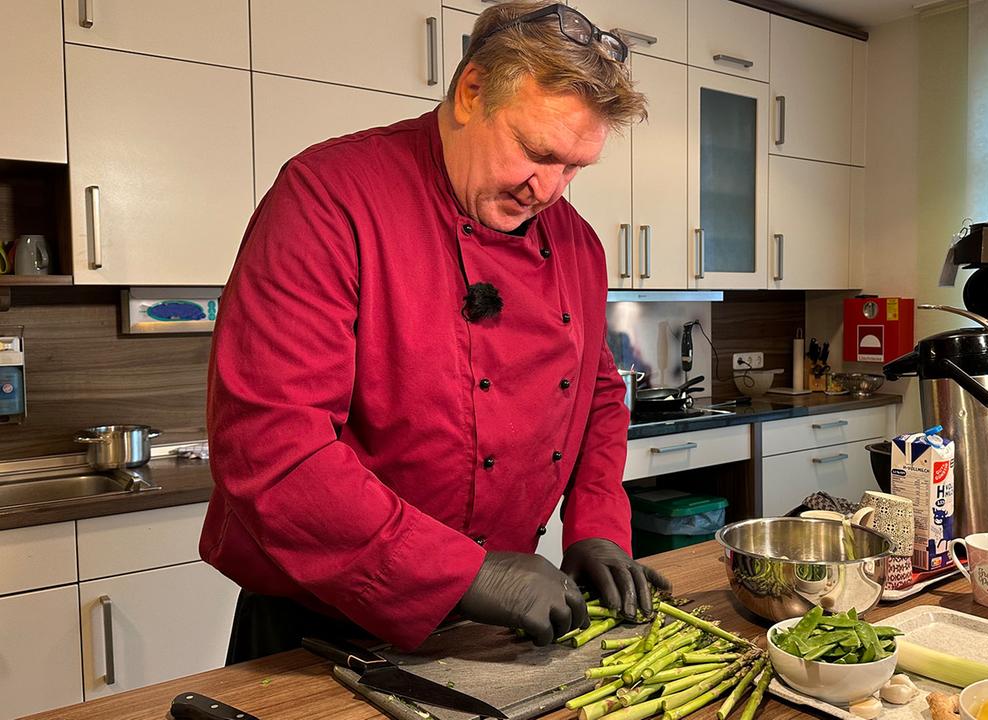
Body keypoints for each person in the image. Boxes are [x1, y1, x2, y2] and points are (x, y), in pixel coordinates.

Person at [200, 1, 668, 663]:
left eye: (574, 167)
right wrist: (463, 572)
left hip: (498, 621)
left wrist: (596, 528)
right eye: (536, 153)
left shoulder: (578, 246)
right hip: (322, 622)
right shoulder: (330, 198)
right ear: (471, 91)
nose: (550, 190)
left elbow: (595, 399)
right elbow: (273, 447)